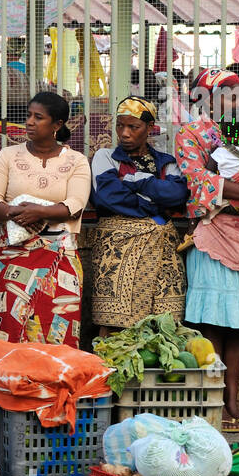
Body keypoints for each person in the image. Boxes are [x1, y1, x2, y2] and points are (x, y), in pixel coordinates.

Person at [175, 68, 239, 433]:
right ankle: (212, 399)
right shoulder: (191, 134)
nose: (237, 101)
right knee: (211, 322)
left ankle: (233, 402)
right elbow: (197, 178)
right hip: (214, 231)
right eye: (227, 94)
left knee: (238, 325)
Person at [0, 91, 92, 346]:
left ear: (57, 125)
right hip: (13, 256)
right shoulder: (8, 156)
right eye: (29, 115)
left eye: (38, 117)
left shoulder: (76, 161)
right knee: (8, 327)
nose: (29, 122)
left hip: (59, 257)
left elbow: (75, 205)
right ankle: (9, 384)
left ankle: (53, 386)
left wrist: (38, 211)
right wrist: (18, 212)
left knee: (57, 331)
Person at [88, 98, 190, 333]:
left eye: (133, 127)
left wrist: (136, 183)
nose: (124, 133)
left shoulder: (166, 162)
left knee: (164, 325)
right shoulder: (106, 157)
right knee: (114, 325)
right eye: (120, 126)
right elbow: (108, 197)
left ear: (150, 127)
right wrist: (156, 204)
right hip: (118, 251)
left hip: (162, 249)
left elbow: (177, 194)